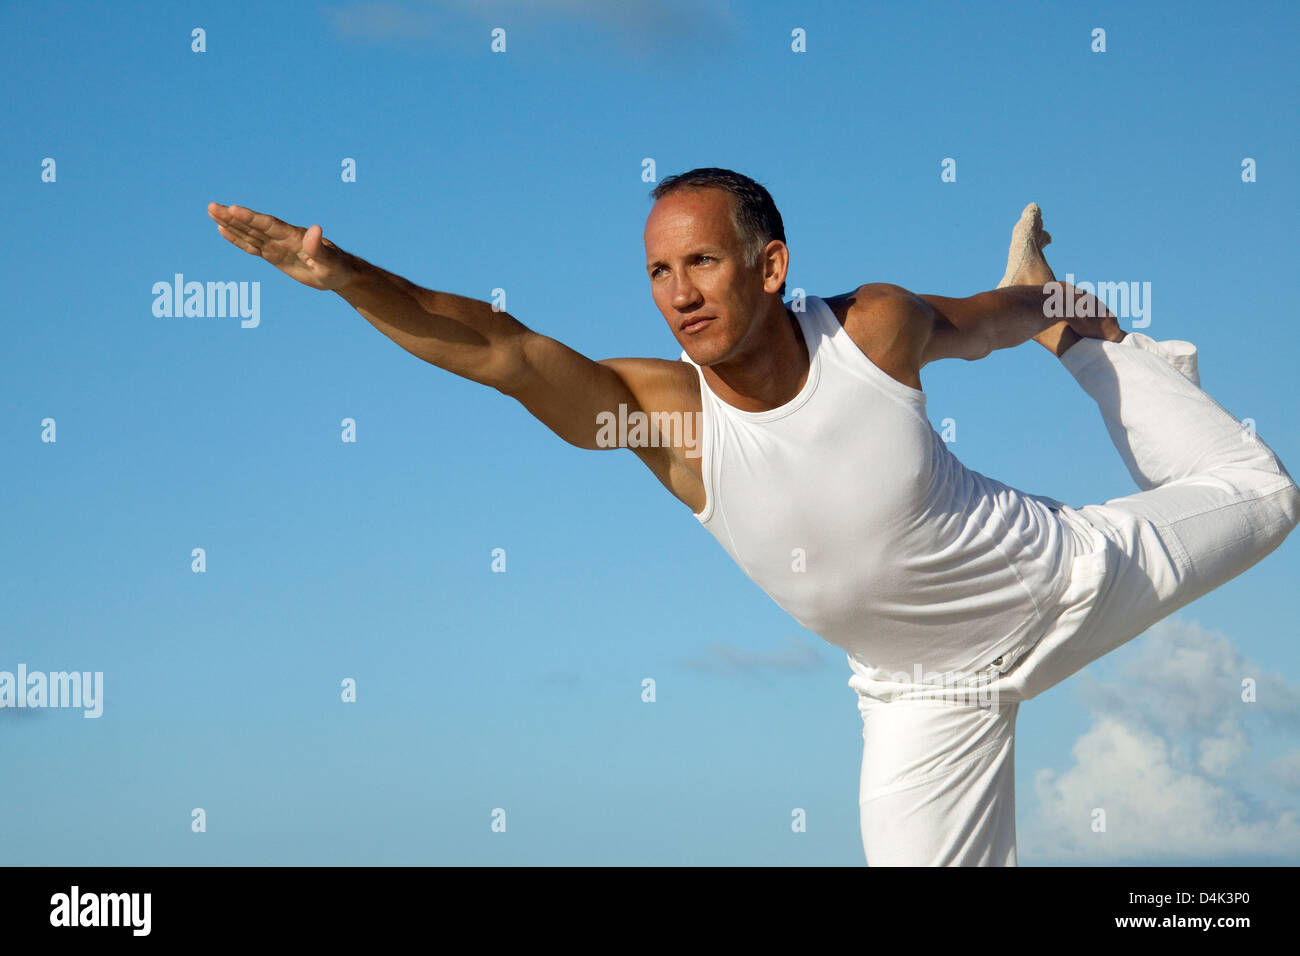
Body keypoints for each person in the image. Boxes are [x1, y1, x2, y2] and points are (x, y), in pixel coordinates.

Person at [207, 167, 1300, 865]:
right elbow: (498, 348)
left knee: (1267, 496)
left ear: (769, 266)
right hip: (925, 696)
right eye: (656, 272)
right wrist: (351, 279)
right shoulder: (661, 421)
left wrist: (1060, 311)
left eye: (700, 261)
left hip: (1065, 577)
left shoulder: (872, 333)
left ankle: (1111, 362)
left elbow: (983, 319)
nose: (676, 291)